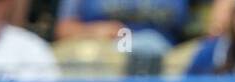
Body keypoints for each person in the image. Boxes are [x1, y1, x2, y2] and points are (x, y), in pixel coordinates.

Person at [55, 0, 189, 55]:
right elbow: (63, 29)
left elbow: (209, 29)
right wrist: (95, 31)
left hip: (167, 63)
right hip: (102, 59)